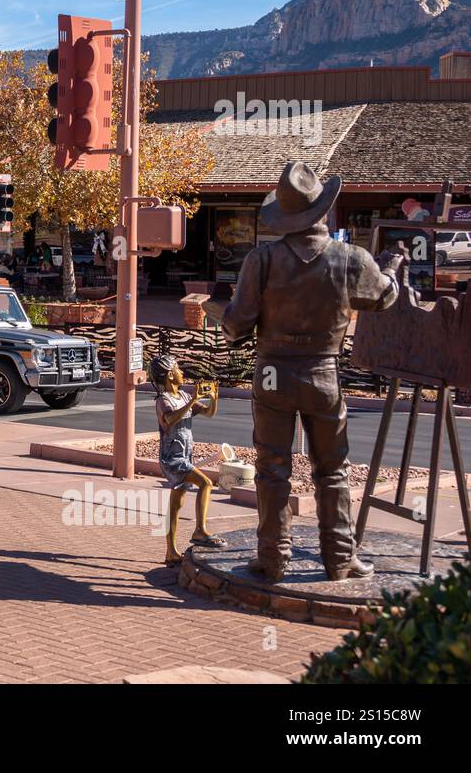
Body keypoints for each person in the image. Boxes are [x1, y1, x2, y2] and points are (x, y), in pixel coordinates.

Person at [222, 161, 402, 582]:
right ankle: (340, 559)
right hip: (323, 373)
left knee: (271, 468)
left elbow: (236, 325)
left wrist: (226, 310)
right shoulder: (350, 259)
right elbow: (384, 298)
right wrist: (391, 268)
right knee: (333, 469)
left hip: (272, 374)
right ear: (322, 211)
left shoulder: (261, 260)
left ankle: (272, 557)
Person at [148, 353, 225, 566]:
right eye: (179, 369)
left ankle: (171, 552)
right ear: (170, 375)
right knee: (206, 483)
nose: (182, 372)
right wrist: (192, 400)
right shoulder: (163, 400)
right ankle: (200, 530)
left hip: (185, 455)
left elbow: (209, 414)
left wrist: (213, 399)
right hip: (173, 458)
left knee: (176, 504)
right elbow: (170, 419)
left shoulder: (182, 395)